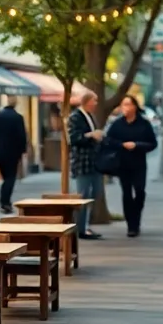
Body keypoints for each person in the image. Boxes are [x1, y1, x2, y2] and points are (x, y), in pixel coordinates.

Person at [104, 95, 158, 237]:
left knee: (140, 192)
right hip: (123, 163)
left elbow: (153, 143)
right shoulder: (117, 124)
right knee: (126, 194)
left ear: (134, 106)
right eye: (123, 105)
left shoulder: (144, 124)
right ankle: (131, 226)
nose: (125, 107)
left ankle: (136, 219)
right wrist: (121, 145)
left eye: (128, 104)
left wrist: (137, 145)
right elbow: (108, 140)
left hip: (139, 163)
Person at [67, 90, 105, 239]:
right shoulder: (75, 117)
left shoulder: (90, 116)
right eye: (94, 100)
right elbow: (74, 138)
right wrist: (90, 135)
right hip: (82, 162)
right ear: (87, 101)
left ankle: (85, 225)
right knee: (83, 195)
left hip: (93, 161)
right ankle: (81, 228)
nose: (96, 103)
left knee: (95, 193)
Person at [0, 96, 28, 214]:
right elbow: (22, 135)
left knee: (6, 177)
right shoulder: (18, 118)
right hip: (13, 152)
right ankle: (5, 203)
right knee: (10, 178)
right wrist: (23, 150)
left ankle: (5, 202)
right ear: (15, 104)